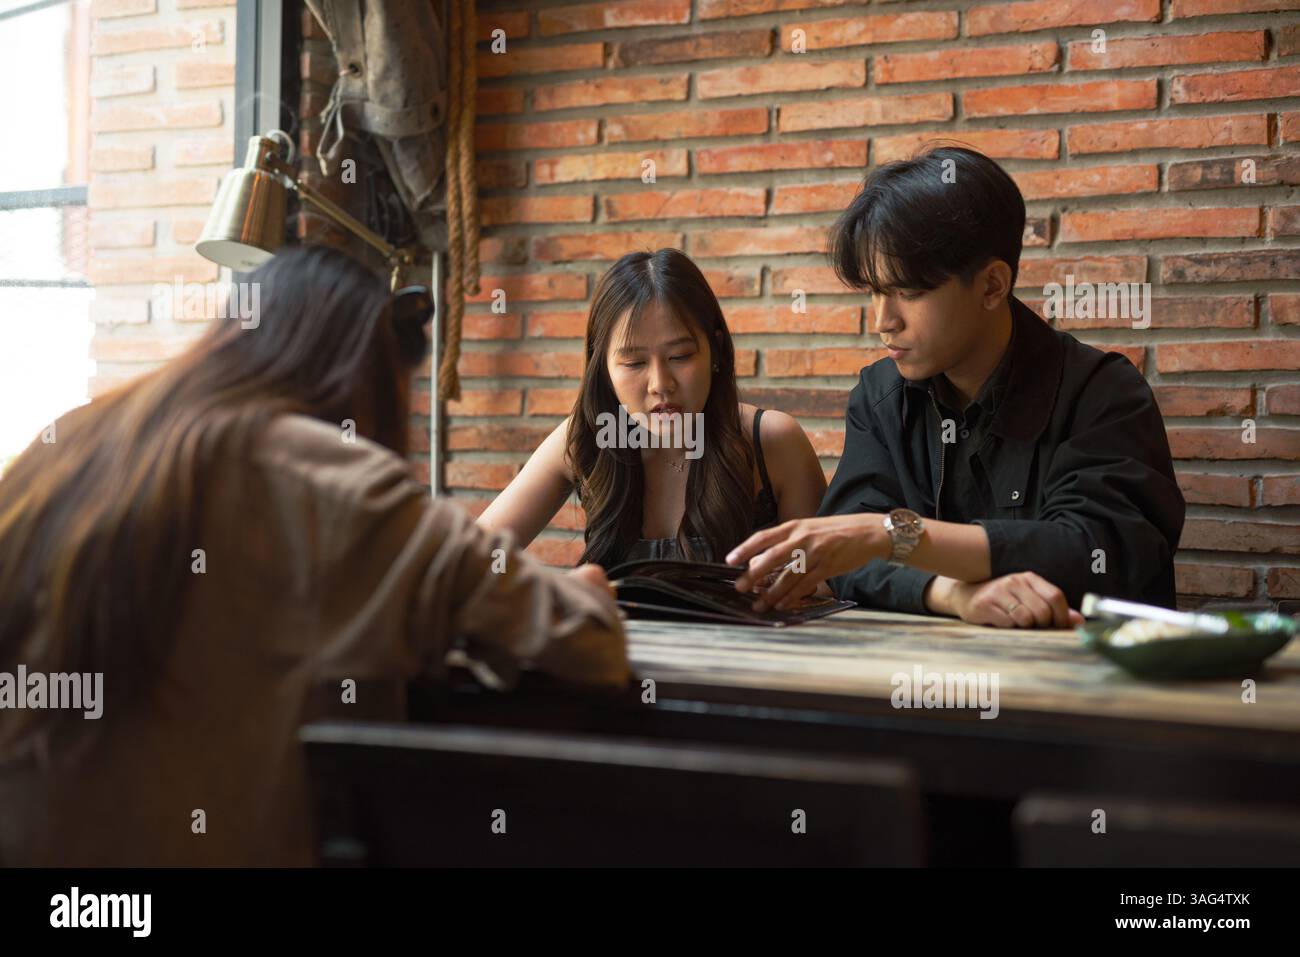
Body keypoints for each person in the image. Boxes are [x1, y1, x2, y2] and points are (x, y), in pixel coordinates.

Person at [0, 244, 627, 865]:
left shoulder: (72, 444)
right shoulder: (332, 478)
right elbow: (588, 642)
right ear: (364, 376)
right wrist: (586, 591)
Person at [727, 146, 1185, 629]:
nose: (884, 322)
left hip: (1093, 686)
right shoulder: (881, 396)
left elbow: (1096, 553)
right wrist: (948, 593)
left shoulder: (1103, 394)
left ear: (992, 286)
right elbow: (847, 562)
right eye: (875, 292)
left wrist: (895, 536)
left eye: (908, 292)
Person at [479, 248, 827, 569]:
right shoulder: (584, 439)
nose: (660, 383)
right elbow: (474, 557)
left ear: (716, 352)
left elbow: (828, 585)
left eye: (680, 356)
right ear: (603, 369)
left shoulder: (773, 441)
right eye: (634, 363)